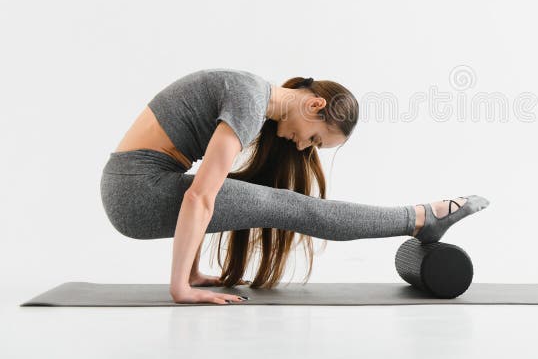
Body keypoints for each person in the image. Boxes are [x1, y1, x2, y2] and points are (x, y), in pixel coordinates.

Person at [100, 68, 490, 305]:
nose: (304, 147)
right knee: (293, 207)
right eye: (315, 140)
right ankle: (421, 217)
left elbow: (205, 193)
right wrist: (180, 287)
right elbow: (200, 196)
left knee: (284, 203)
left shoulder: (250, 92)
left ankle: (421, 217)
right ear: (315, 106)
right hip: (135, 192)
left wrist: (195, 272)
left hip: (132, 186)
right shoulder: (249, 102)